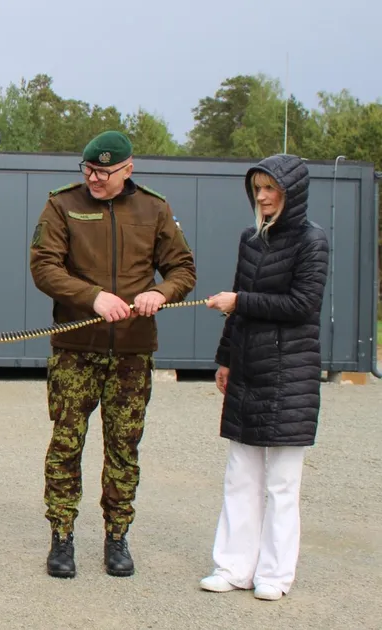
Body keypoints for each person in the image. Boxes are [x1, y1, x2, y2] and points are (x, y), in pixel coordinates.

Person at [29, 130, 196, 579]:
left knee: (124, 448)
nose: (94, 178)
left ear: (128, 169)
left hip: (132, 354)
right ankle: (61, 536)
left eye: (103, 171)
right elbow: (44, 267)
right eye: (88, 169)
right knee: (66, 445)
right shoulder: (62, 205)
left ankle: (116, 535)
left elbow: (183, 268)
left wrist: (161, 292)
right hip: (74, 351)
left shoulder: (154, 209)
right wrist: (93, 297)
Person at [199, 155, 329, 601]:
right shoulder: (250, 240)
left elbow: (302, 306)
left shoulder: (314, 241)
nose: (262, 196)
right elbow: (240, 304)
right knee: (240, 475)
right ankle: (232, 567)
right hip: (248, 370)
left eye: (270, 188)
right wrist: (225, 359)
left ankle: (275, 576)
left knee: (282, 483)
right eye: (257, 188)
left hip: (291, 374)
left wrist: (240, 301)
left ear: (291, 192)